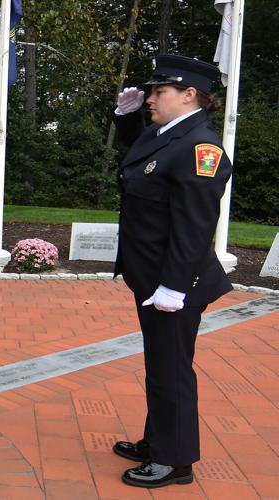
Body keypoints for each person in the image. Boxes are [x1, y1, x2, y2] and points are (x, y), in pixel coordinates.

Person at [111, 54, 233, 488]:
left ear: (189, 95)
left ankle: (176, 460)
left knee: (172, 370)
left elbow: (194, 225)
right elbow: (142, 159)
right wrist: (125, 119)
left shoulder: (202, 147)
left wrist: (173, 287)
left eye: (159, 91)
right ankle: (157, 440)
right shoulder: (170, 135)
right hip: (152, 278)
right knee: (160, 365)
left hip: (174, 283)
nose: (149, 98)